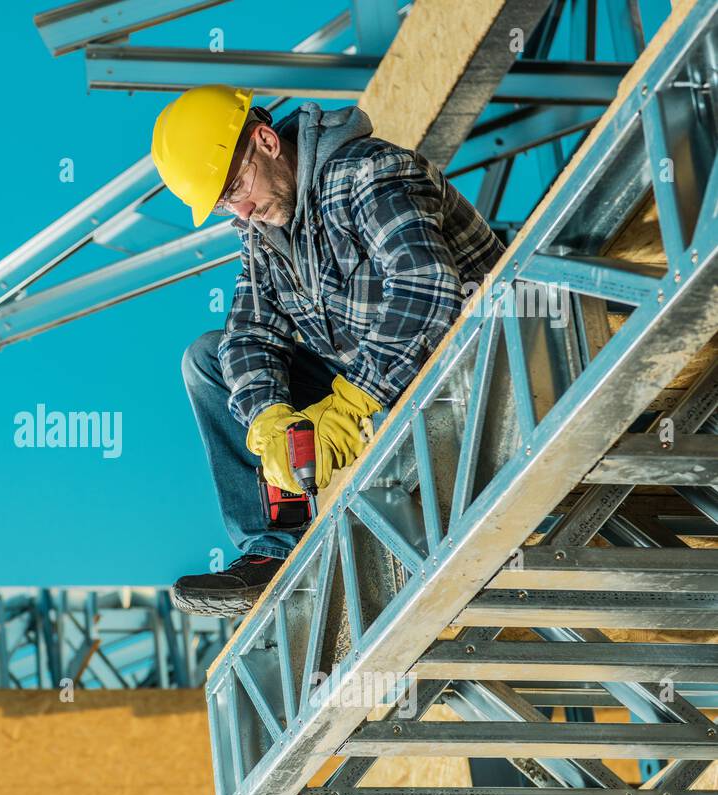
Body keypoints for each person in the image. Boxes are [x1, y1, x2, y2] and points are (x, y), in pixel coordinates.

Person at [152, 85, 505, 616]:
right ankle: (273, 552)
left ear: (267, 141)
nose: (241, 210)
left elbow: (427, 288)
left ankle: (350, 425)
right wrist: (267, 418)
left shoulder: (368, 172)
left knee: (369, 359)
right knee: (206, 359)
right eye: (225, 202)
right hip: (387, 388)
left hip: (473, 368)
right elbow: (250, 335)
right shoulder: (263, 233)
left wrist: (350, 402)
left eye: (236, 187)